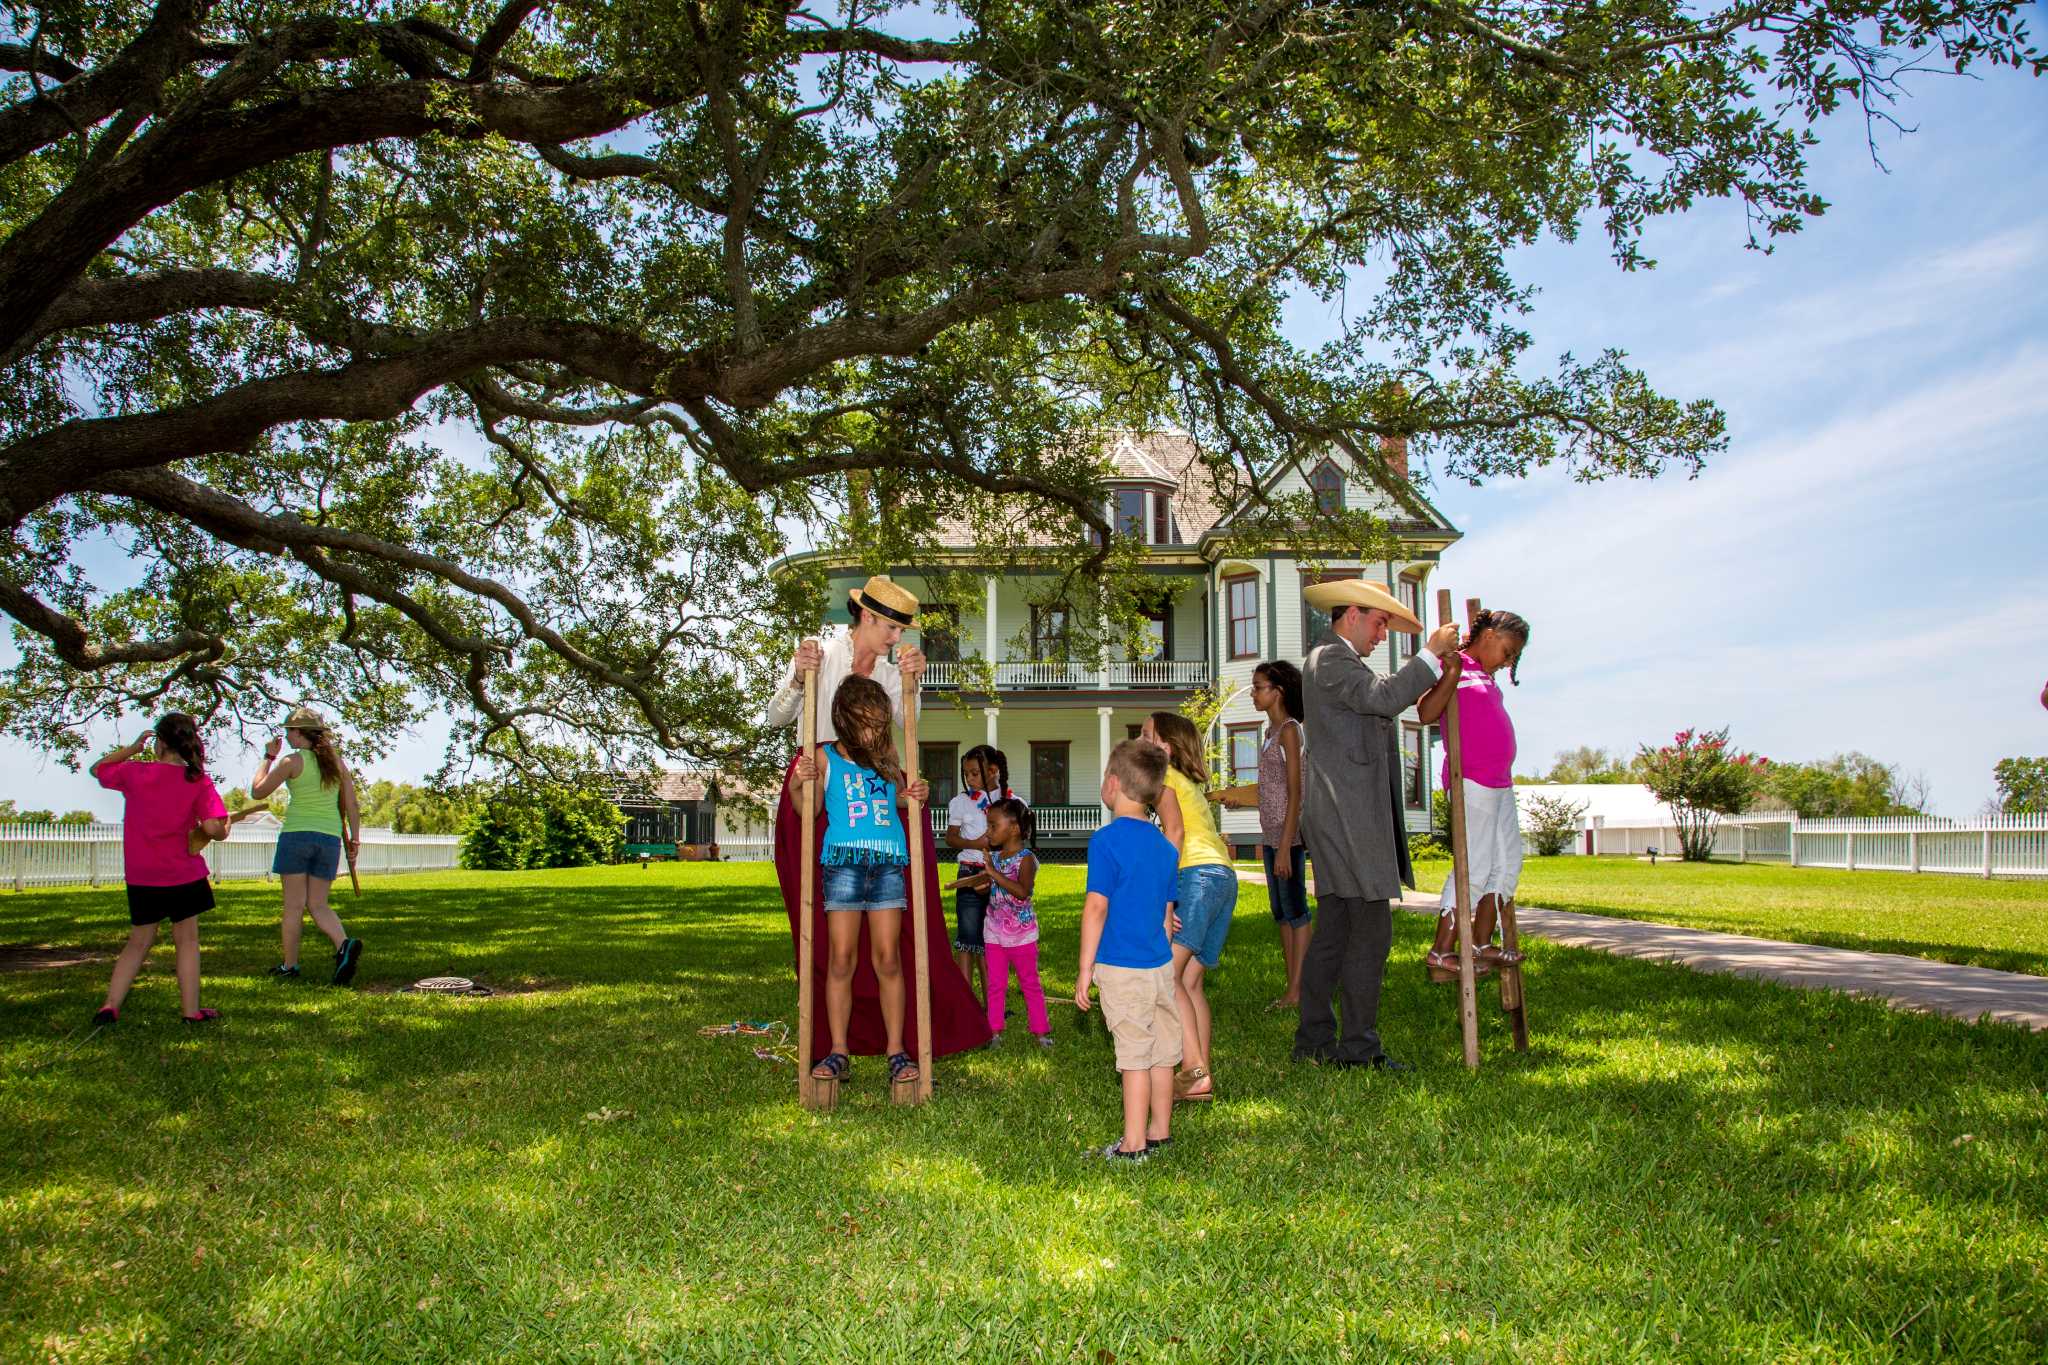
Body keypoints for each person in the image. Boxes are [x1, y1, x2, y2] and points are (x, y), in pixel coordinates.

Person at [768, 576, 992, 1063]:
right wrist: (796, 678)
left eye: (901, 631)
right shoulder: (820, 652)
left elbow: (911, 728)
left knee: (900, 921)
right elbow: (776, 717)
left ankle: (897, 1039)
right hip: (819, 777)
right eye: (891, 628)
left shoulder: (892, 673)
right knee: (823, 924)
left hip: (875, 790)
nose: (897, 639)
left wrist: (915, 684)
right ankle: (835, 1042)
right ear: (866, 617)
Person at [1292, 579, 1462, 1071]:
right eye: (1380, 622)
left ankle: (1316, 1041)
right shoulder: (1331, 659)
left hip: (1342, 815)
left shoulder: (1334, 660)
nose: (1384, 634)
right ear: (1352, 615)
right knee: (1371, 932)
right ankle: (1359, 1049)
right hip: (1346, 818)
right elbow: (1385, 698)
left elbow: (1381, 699)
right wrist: (1429, 656)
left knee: (1335, 933)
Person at [789, 675, 930, 1088]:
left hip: (887, 864)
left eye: (878, 722)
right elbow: (809, 811)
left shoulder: (886, 755)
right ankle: (838, 1050)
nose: (872, 731)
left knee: (888, 958)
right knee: (841, 959)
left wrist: (913, 793)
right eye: (864, 722)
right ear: (845, 719)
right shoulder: (826, 757)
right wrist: (800, 783)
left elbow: (897, 798)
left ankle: (896, 1050)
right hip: (844, 866)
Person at [1075, 740, 1182, 1161]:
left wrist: (1085, 969)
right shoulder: (1164, 846)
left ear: (1113, 784)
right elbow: (1166, 915)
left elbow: (1096, 906)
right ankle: (1159, 1132)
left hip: (1121, 967)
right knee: (1162, 1052)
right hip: (1159, 966)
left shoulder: (1105, 841)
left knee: (1134, 1055)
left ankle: (1133, 1145)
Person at [89, 714, 231, 1026]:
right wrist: (224, 827)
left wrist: (130, 749)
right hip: (183, 872)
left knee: (138, 941)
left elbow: (98, 769)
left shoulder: (134, 772)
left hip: (142, 873)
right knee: (187, 941)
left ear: (160, 742)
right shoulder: (197, 780)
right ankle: (191, 1011)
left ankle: (110, 1005)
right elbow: (211, 827)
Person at [1417, 610, 1531, 975]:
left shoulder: (1487, 676)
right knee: (1475, 864)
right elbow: (1425, 712)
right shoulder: (1456, 664)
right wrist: (1449, 673)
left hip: (1500, 783)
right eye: (1508, 650)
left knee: (1507, 863)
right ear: (1490, 633)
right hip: (1472, 780)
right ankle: (1441, 949)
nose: (1509, 659)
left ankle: (1481, 941)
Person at [1140, 711, 1237, 1105]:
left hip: (1194, 876)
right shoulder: (1188, 783)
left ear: (1167, 748)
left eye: (1147, 735)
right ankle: (1201, 1073)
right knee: (1191, 981)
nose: (1140, 741)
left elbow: (1175, 833)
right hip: (1221, 877)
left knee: (1169, 976)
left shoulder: (1163, 779)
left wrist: (1164, 896)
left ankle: (1193, 1071)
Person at [1216, 660, 1310, 1010]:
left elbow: (1296, 792)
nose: (1253, 693)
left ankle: (1298, 990)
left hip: (1288, 839)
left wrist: (1286, 846)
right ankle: (1292, 988)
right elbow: (1271, 791)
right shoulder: (1269, 733)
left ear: (1278, 691)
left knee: (1296, 910)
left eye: (1258, 687)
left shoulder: (1289, 730)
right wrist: (1238, 802)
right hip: (1271, 836)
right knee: (1281, 912)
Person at [250, 707, 365, 985]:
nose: (286, 735)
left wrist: (268, 757)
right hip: (328, 838)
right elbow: (351, 803)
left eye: (289, 730)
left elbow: (257, 791)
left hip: (297, 836)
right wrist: (355, 838)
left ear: (298, 733)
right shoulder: (335, 762)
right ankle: (343, 945)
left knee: (293, 906)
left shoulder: (291, 761)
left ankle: (290, 965)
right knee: (318, 904)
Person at [943, 743, 1015, 1005]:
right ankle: (966, 1006)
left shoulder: (1011, 803)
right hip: (969, 874)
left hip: (1000, 878)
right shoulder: (961, 802)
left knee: (992, 944)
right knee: (967, 941)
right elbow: (951, 838)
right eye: (966, 774)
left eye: (974, 773)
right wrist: (976, 844)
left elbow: (1019, 843)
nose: (969, 779)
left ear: (993, 771)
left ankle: (993, 1007)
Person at [978, 798, 1049, 1046]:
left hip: (1022, 935)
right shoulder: (995, 858)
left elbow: (1022, 891)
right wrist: (982, 884)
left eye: (993, 825)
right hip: (994, 932)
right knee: (996, 984)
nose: (988, 831)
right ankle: (994, 1031)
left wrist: (994, 875)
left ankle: (1040, 1032)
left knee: (1030, 983)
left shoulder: (1026, 859)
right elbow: (993, 888)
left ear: (1014, 828)